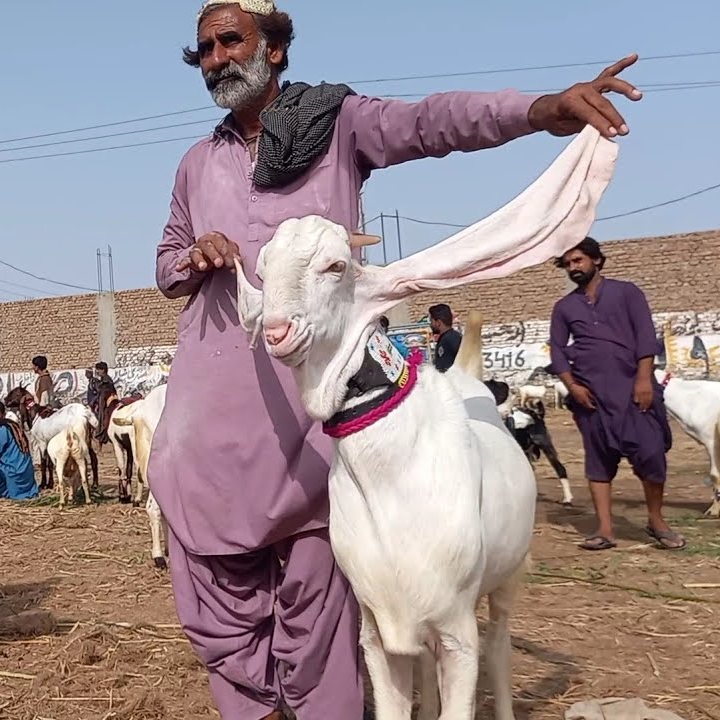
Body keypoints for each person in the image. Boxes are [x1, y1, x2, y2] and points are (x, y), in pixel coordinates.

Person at [151, 1, 642, 716]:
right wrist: (194, 256)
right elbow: (165, 262)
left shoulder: (337, 125)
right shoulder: (197, 163)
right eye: (206, 49)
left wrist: (539, 110)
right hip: (211, 414)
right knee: (221, 616)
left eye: (232, 40)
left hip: (315, 427)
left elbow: (432, 123)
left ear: (276, 50)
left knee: (321, 621)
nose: (219, 57)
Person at [549, 237, 683, 551]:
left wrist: (643, 380)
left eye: (579, 260)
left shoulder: (627, 292)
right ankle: (605, 530)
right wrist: (573, 386)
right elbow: (556, 349)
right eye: (568, 263)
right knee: (598, 461)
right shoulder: (565, 307)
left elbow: (645, 337)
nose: (573, 267)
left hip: (634, 392)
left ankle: (656, 520)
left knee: (650, 454)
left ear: (597, 260)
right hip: (591, 397)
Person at [0, 399, 39, 500]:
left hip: (14, 471)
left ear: (3, 415)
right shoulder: (13, 425)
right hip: (25, 471)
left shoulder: (2, 428)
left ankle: (4, 491)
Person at [428, 304, 462, 372]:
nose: (430, 325)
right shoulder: (447, 337)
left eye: (431, 321)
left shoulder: (450, 339)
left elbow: (444, 368)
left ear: (438, 322)